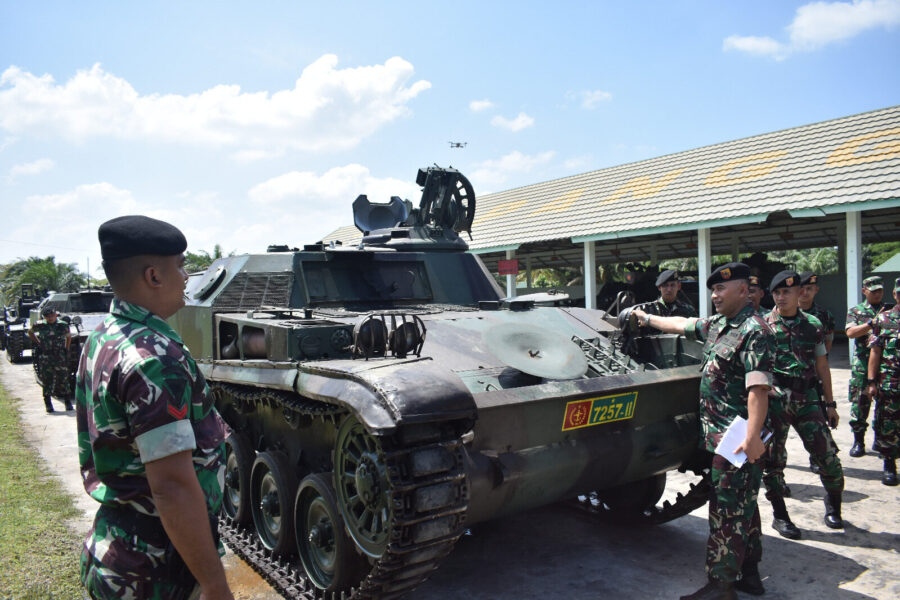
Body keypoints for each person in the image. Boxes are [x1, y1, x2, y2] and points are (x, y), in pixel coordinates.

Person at [76, 215, 234, 600]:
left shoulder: (106, 336)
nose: (187, 276)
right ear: (154, 276)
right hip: (157, 571)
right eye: (180, 266)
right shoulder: (153, 360)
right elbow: (172, 486)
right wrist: (214, 585)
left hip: (121, 552)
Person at [633, 263, 774, 600]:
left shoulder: (754, 330)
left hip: (737, 437)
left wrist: (752, 437)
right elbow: (682, 325)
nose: (714, 295)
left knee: (725, 511)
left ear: (743, 290)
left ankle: (721, 585)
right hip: (724, 435)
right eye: (712, 290)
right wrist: (646, 318)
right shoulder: (719, 325)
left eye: (721, 290)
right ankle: (750, 574)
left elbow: (759, 389)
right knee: (745, 506)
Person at [760, 270, 844, 540]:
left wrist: (830, 404)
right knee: (773, 462)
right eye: (777, 293)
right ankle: (780, 515)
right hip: (775, 399)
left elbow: (822, 365)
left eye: (787, 292)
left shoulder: (813, 324)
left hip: (807, 398)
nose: (781, 297)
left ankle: (833, 505)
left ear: (800, 293)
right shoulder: (763, 325)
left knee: (827, 456)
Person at [846, 275, 893, 457]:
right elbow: (850, 332)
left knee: (885, 406)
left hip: (887, 366)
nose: (877, 294)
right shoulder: (856, 311)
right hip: (863, 366)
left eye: (880, 290)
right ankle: (859, 441)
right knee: (860, 403)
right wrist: (871, 323)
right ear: (864, 291)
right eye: (873, 291)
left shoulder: (891, 311)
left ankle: (882, 441)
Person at [867, 277, 900, 486]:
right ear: (895, 295)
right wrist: (871, 381)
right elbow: (875, 352)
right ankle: (889, 463)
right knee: (888, 424)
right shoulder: (884, 319)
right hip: (891, 382)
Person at [28, 306, 72, 413]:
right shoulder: (40, 325)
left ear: (56, 315)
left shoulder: (62, 325)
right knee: (47, 380)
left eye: (52, 316)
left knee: (63, 378)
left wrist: (66, 348)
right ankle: (48, 404)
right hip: (46, 356)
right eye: (48, 316)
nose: (50, 318)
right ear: (44, 317)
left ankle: (67, 402)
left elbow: (68, 336)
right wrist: (38, 343)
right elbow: (30, 332)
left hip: (59, 355)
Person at [799, 272, 835, 355]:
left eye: (809, 288)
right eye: (801, 288)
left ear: (816, 290)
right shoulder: (788, 312)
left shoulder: (825, 315)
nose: (805, 292)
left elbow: (828, 341)